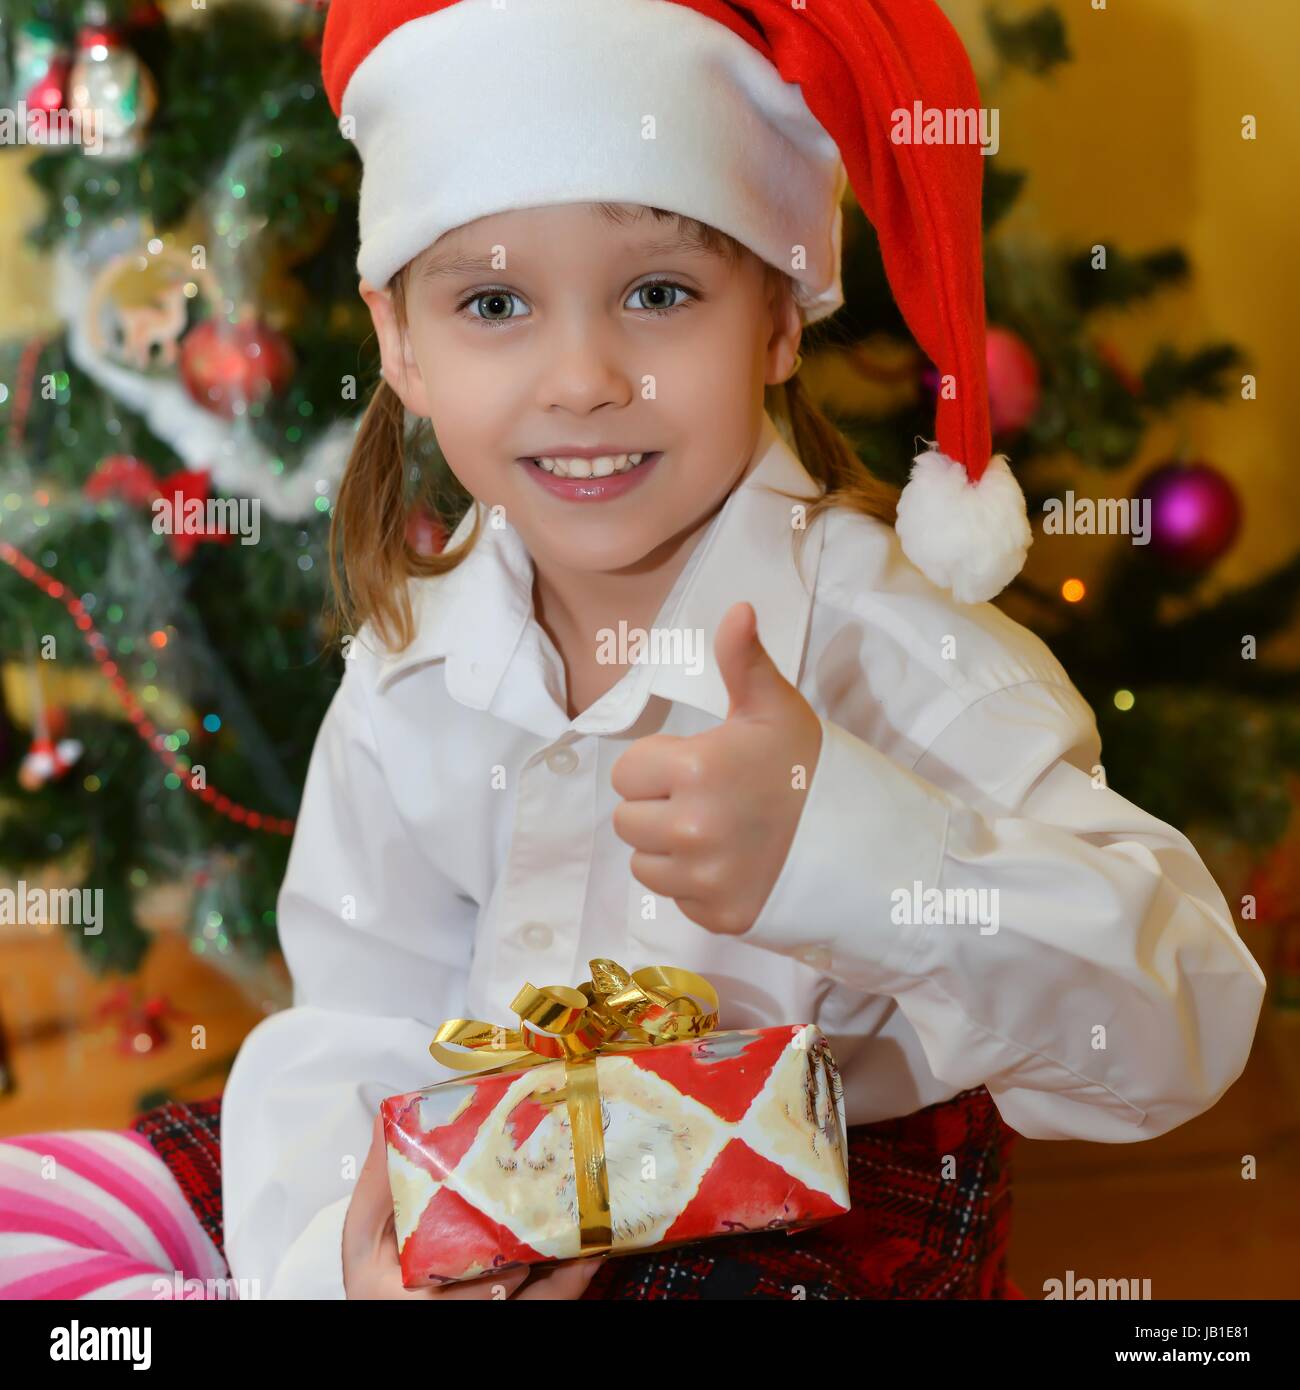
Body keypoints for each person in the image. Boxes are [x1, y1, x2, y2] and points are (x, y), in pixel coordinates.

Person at [0, 0, 1266, 1302]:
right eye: (494, 301)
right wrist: (353, 1257)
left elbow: (1183, 1023)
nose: (584, 375)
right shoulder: (413, 661)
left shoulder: (890, 651)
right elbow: (358, 1021)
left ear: (778, 317)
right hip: (494, 1165)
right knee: (33, 1221)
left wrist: (856, 849)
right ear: (399, 341)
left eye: (659, 293)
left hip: (804, 1221)